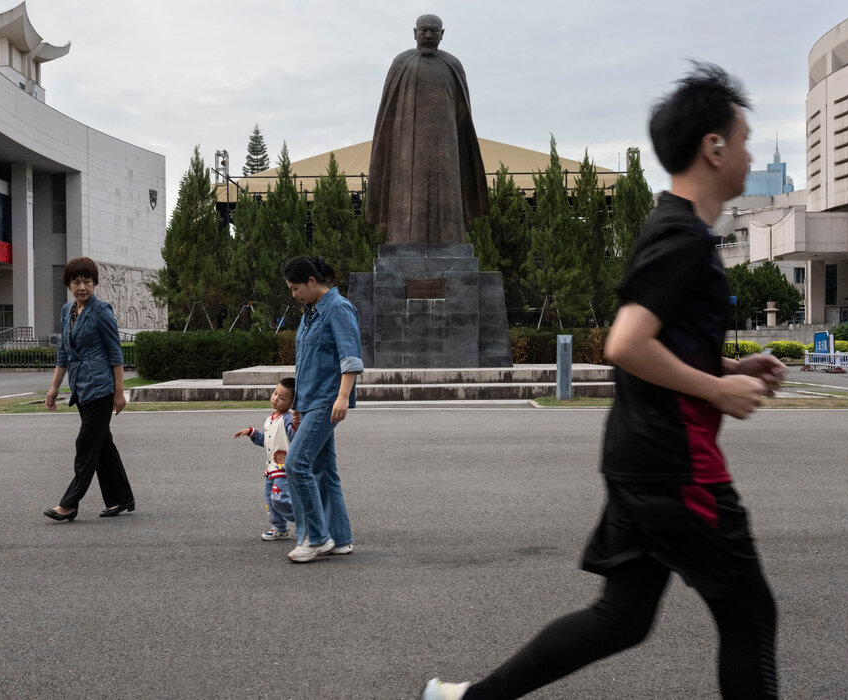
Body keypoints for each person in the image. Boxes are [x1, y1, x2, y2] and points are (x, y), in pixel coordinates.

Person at [424, 63, 786, 700]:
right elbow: (626, 344)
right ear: (714, 147)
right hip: (678, 468)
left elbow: (664, 343)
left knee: (622, 618)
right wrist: (717, 391)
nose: (750, 153)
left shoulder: (677, 230)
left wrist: (731, 367)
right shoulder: (682, 237)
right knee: (750, 616)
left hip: (640, 458)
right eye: (745, 139)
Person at [365, 14, 488, 246]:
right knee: (408, 198)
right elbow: (387, 115)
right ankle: (403, 244)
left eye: (434, 31)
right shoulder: (401, 64)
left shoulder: (453, 65)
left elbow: (463, 114)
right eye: (424, 31)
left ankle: (451, 244)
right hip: (406, 147)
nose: (429, 36)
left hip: (447, 145)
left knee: (448, 196)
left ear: (442, 34)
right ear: (414, 33)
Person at [282, 256, 363, 563]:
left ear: (313, 282)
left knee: (296, 464)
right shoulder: (310, 313)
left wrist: (342, 398)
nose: (294, 294)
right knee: (324, 470)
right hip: (310, 401)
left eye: (296, 288)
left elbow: (350, 358)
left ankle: (316, 538)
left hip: (327, 401)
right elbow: (304, 363)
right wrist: (297, 404)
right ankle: (340, 539)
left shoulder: (339, 309)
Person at [43, 257, 135, 521]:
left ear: (94, 282)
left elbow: (115, 353)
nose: (81, 286)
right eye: (76, 282)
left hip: (101, 388)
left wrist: (119, 391)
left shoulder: (101, 310)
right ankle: (120, 498)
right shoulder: (67, 312)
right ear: (69, 284)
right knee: (102, 444)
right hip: (81, 389)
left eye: (86, 281)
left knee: (86, 444)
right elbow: (63, 353)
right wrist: (53, 389)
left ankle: (69, 504)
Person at [233, 377, 297, 541]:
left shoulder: (288, 418)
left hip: (284, 469)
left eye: (282, 398)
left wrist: (297, 424)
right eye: (275, 393)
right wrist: (252, 432)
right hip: (271, 469)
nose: (275, 398)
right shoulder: (269, 419)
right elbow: (268, 442)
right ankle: (279, 528)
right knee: (270, 501)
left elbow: (295, 436)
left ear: (292, 403)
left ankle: (305, 519)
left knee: (279, 498)